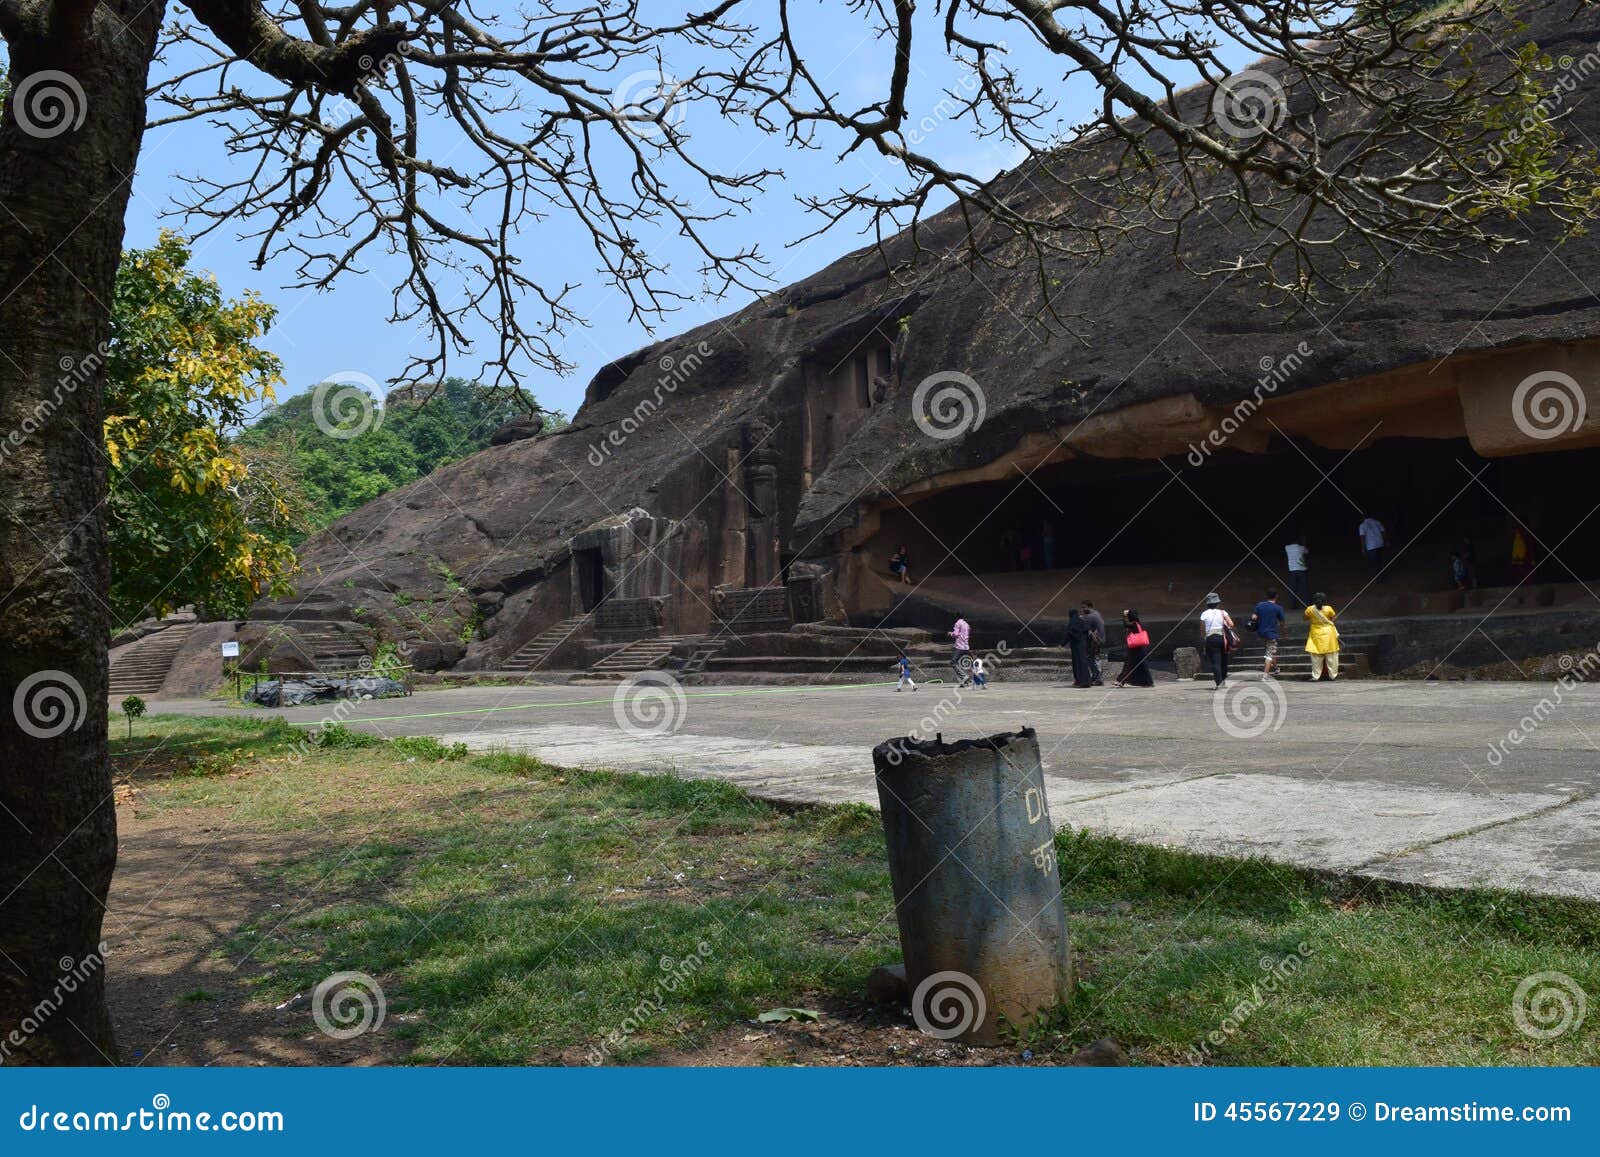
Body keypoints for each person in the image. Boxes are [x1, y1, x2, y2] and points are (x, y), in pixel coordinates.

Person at [1199, 591, 1234, 689]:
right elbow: (1231, 624)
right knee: (1224, 661)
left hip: (1210, 638)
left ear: (1208, 603)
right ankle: (1224, 682)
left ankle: (1219, 684)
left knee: (1215, 662)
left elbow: (1202, 629)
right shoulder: (1223, 612)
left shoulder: (1204, 614)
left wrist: (1204, 637)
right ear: (1217, 603)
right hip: (1222, 638)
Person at [1249, 587, 1286, 676]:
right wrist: (1284, 634)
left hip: (1261, 633)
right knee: (1269, 654)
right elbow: (1282, 623)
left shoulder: (1260, 605)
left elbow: (1253, 617)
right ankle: (1265, 675)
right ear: (1276, 596)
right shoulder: (1278, 608)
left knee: (1271, 651)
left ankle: (1276, 668)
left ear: (1267, 596)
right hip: (1271, 634)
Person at [1304, 593, 1341, 681]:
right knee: (1332, 656)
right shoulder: (1329, 609)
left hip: (1316, 634)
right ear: (1324, 600)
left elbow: (1305, 618)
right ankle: (1333, 676)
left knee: (1316, 656)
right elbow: (1333, 618)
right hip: (1329, 634)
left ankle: (1316, 676)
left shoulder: (1309, 609)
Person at [1115, 609, 1154, 687]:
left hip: (1136, 648)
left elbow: (1126, 624)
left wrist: (1125, 616)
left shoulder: (1134, 624)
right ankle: (1121, 681)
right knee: (1130, 664)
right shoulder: (1137, 623)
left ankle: (1149, 682)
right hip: (1135, 648)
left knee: (1137, 665)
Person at [1065, 609, 1095, 688]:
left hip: (1076, 645)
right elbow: (1087, 629)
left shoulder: (1072, 622)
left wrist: (1062, 644)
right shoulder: (1081, 621)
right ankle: (1086, 680)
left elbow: (1070, 633)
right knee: (1083, 662)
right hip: (1083, 644)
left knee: (1078, 663)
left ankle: (1081, 681)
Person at [1080, 600, 1106, 686]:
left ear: (1090, 606)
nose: (1082, 609)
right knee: (1094, 658)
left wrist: (1081, 619)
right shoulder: (1097, 613)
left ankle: (1098, 679)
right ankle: (1096, 677)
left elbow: (1085, 628)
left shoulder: (1090, 616)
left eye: (1084, 607)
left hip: (1094, 641)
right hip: (1099, 639)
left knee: (1093, 659)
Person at [1284, 535, 1310, 606]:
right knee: (1304, 588)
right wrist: (1304, 544)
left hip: (1292, 570)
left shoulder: (1287, 547)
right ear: (1297, 541)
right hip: (1302, 570)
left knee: (1293, 588)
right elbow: (1307, 552)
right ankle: (1306, 603)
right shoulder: (1301, 547)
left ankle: (1293, 605)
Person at [950, 615, 972, 687]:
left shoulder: (958, 623)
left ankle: (964, 676)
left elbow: (955, 634)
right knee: (960, 663)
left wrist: (950, 633)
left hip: (959, 646)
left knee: (953, 662)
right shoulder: (967, 624)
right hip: (966, 647)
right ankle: (964, 682)